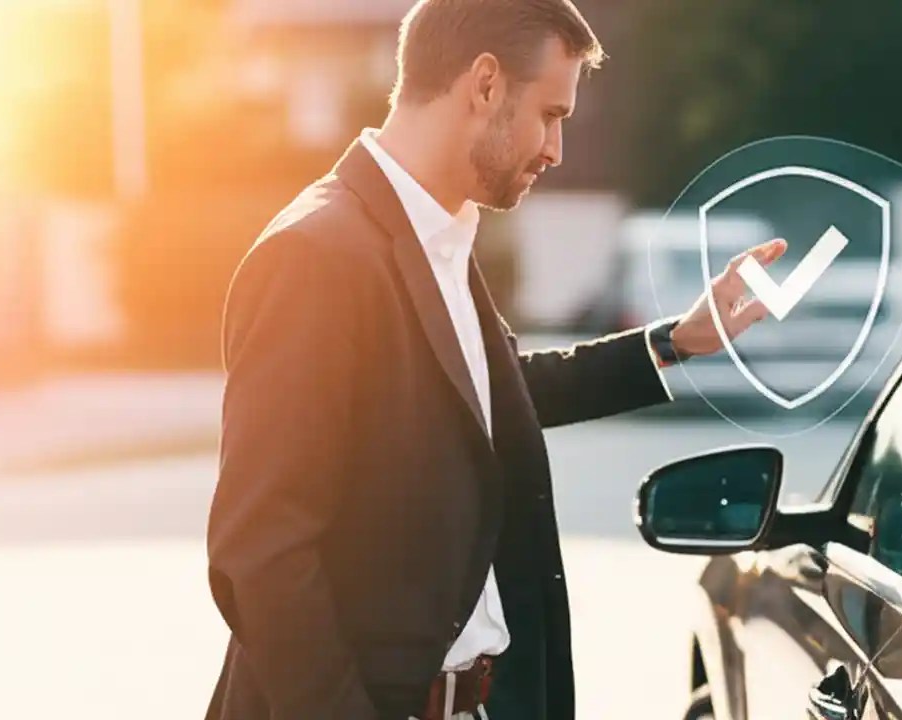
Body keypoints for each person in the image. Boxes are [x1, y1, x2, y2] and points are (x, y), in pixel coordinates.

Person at [202, 2, 787, 719]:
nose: (557, 149)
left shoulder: (439, 238)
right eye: (550, 114)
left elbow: (490, 395)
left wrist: (675, 340)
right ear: (484, 85)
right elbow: (261, 554)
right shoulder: (315, 256)